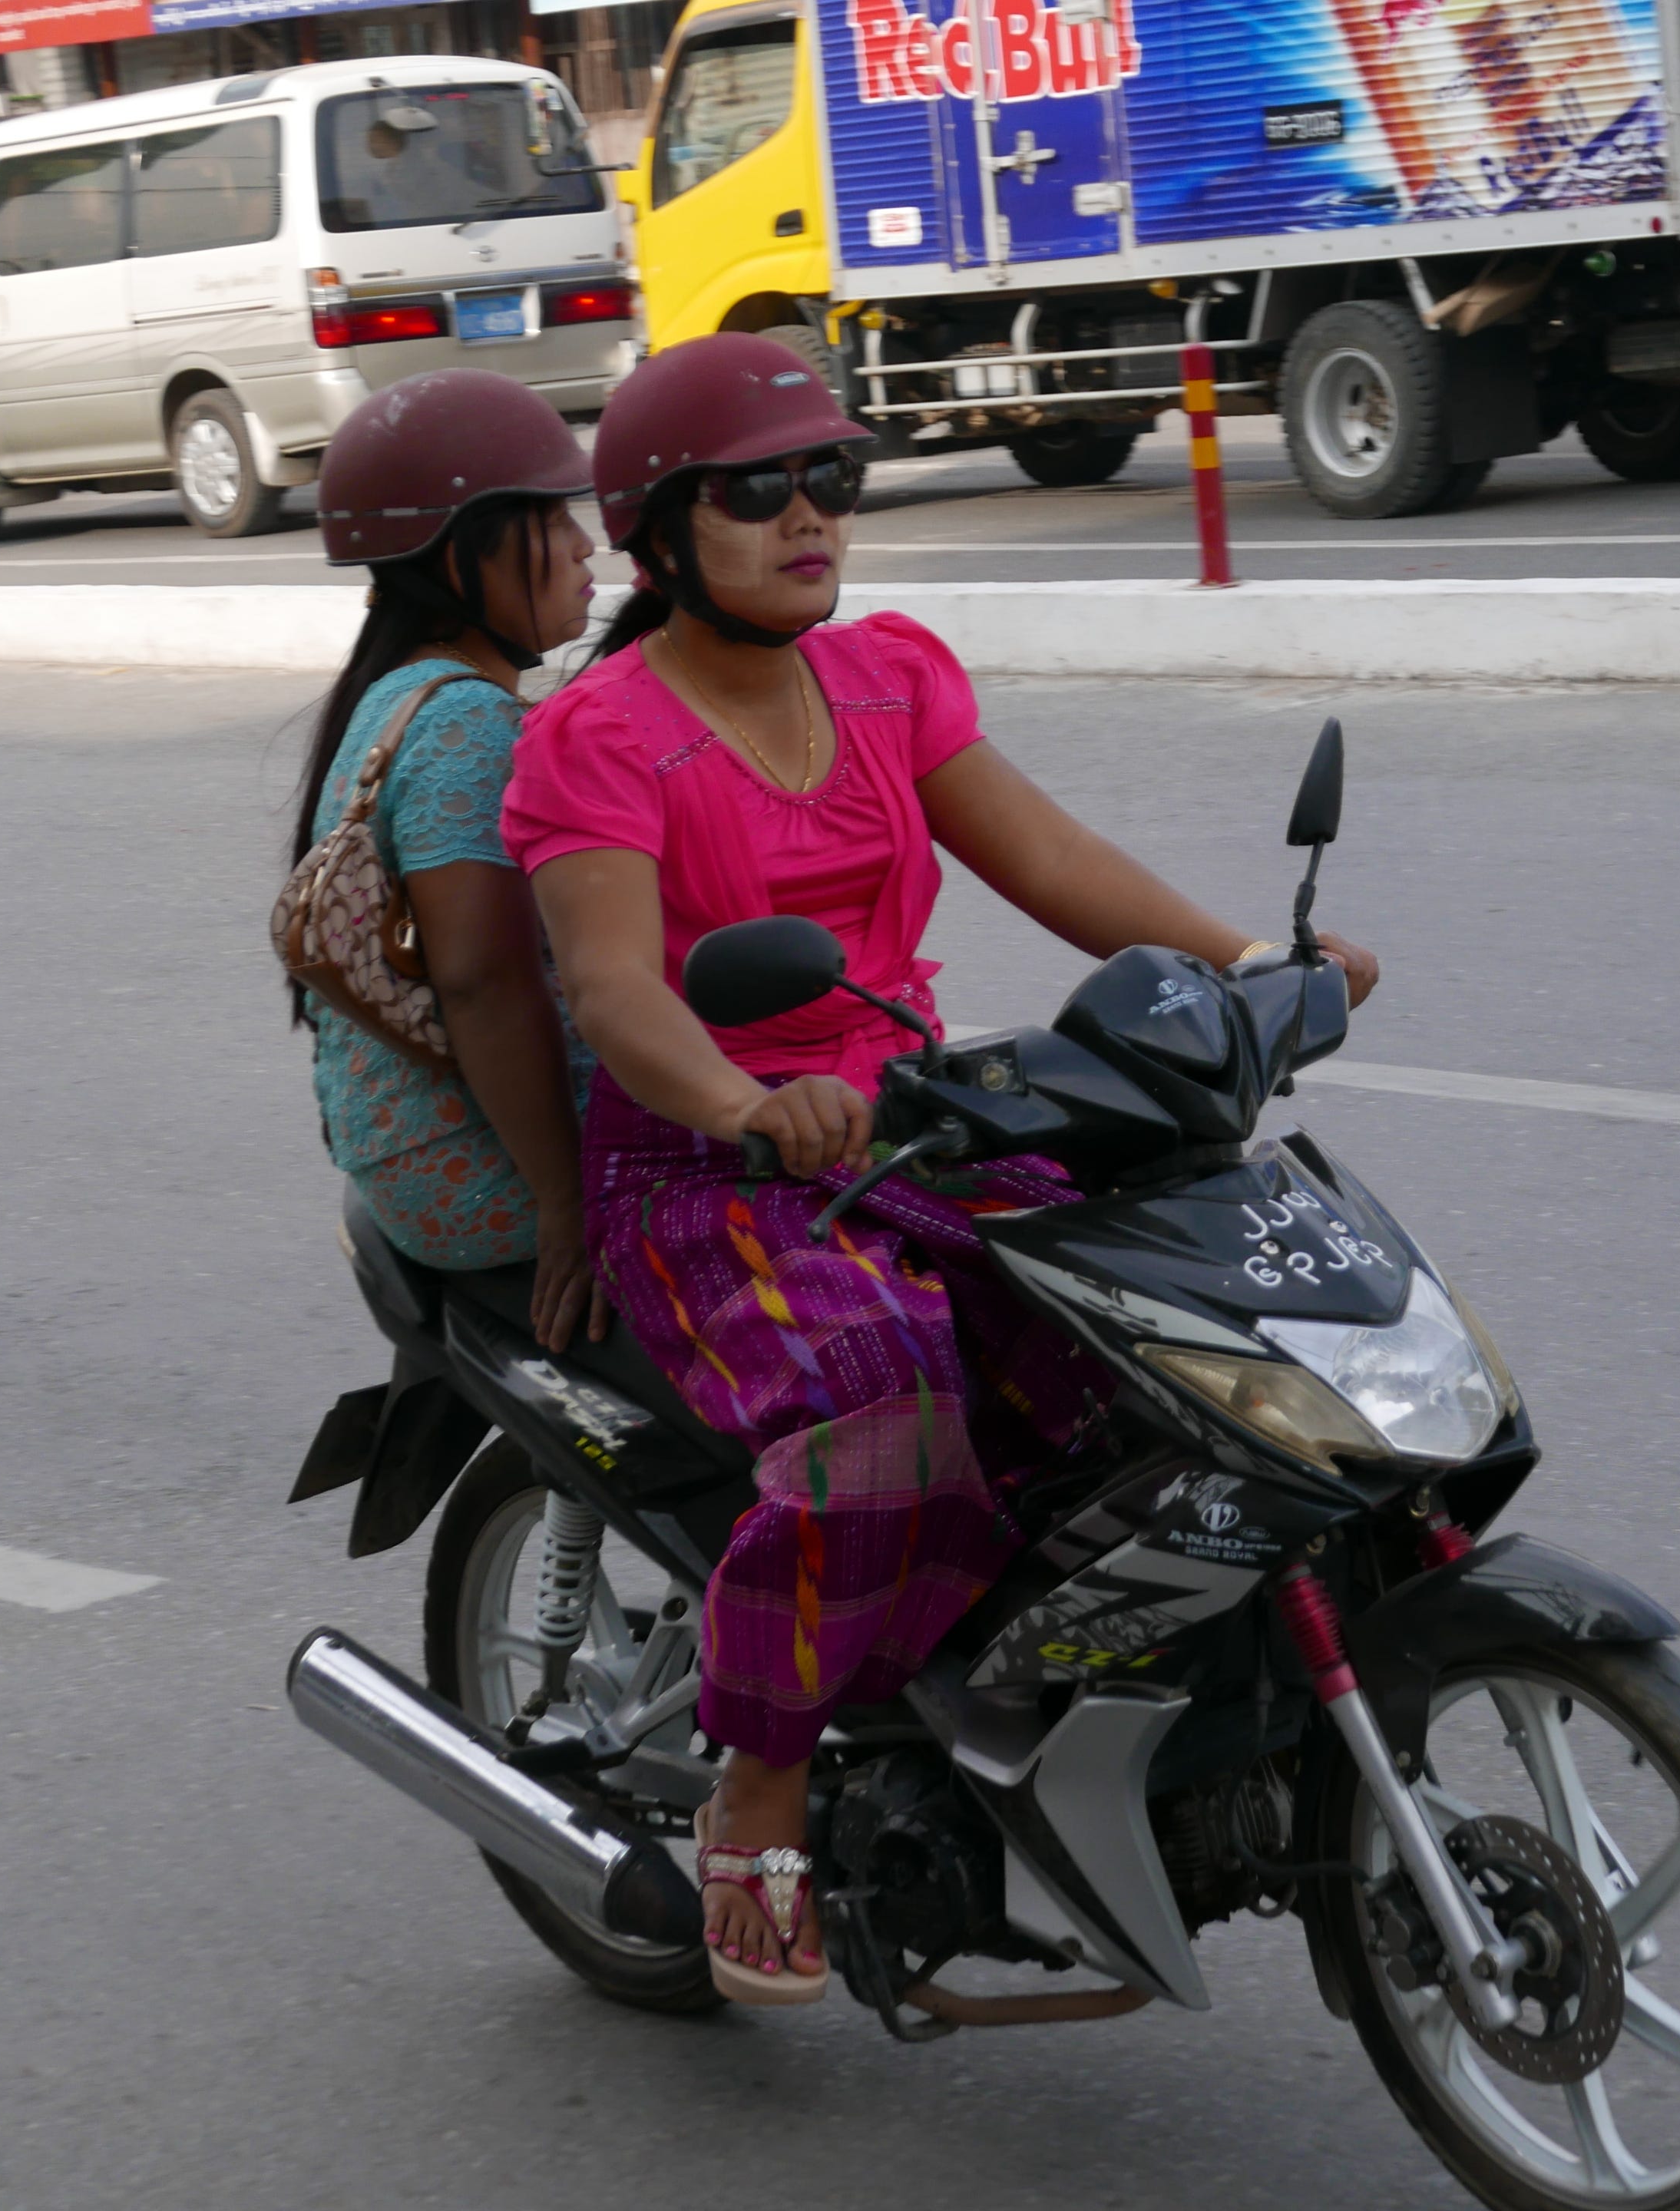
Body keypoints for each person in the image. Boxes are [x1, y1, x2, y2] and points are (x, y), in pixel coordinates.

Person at [501, 334, 1379, 2007]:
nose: (807, 513)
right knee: (884, 1421)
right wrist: (749, 1105)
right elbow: (614, 988)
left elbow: (1050, 860)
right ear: (661, 531)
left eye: (828, 475)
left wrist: (1264, 961)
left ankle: (1032, 1723)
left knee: (1173, 1362)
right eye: (755, 490)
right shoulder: (604, 736)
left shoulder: (891, 675)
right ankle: (759, 1784)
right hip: (711, 1174)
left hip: (920, 1130)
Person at [292, 368, 605, 1349]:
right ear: (464, 552)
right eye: (550, 520)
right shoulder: (468, 721)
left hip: (412, 1143)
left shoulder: (396, 690)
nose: (584, 546)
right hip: (474, 1163)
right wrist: (567, 1207)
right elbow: (483, 983)